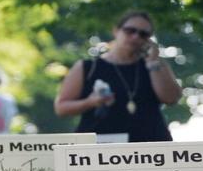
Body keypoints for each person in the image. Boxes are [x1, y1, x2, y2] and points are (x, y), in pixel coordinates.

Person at [54, 11, 182, 142]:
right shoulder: (87, 67)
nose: (135, 36)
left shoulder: (156, 65)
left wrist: (153, 64)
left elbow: (171, 99)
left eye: (143, 34)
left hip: (150, 149)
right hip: (100, 149)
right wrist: (90, 102)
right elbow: (61, 108)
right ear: (116, 31)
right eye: (130, 30)